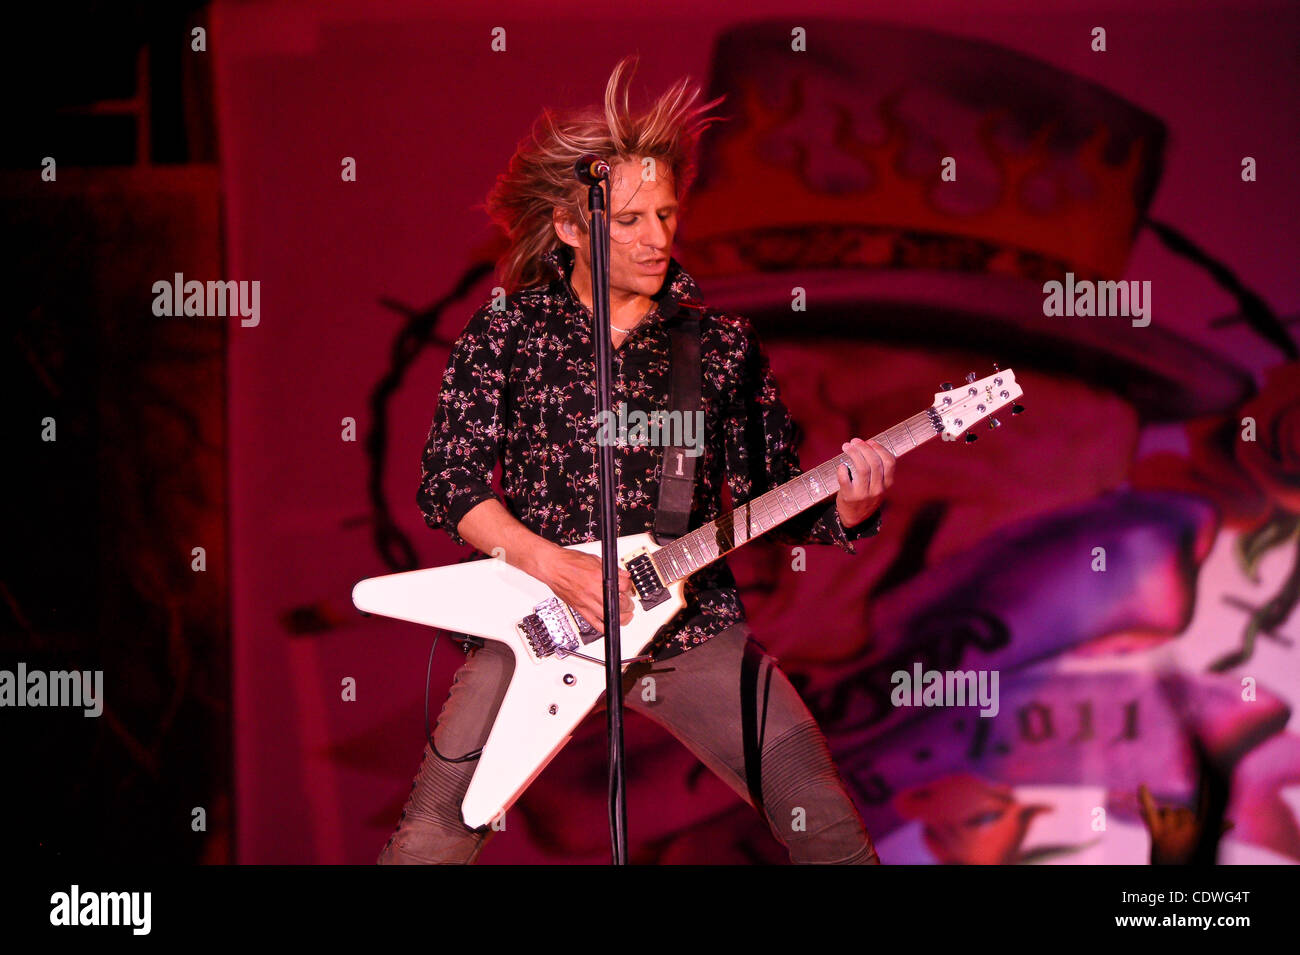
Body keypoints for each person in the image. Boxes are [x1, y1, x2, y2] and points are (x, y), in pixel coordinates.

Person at [378, 57, 895, 865]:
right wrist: (557, 567)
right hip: (536, 621)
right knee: (433, 836)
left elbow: (771, 490)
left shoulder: (720, 349)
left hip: (693, 628)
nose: (659, 237)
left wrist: (851, 506)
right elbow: (449, 483)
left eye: (666, 213)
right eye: (630, 220)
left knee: (827, 827)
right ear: (572, 226)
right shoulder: (510, 332)